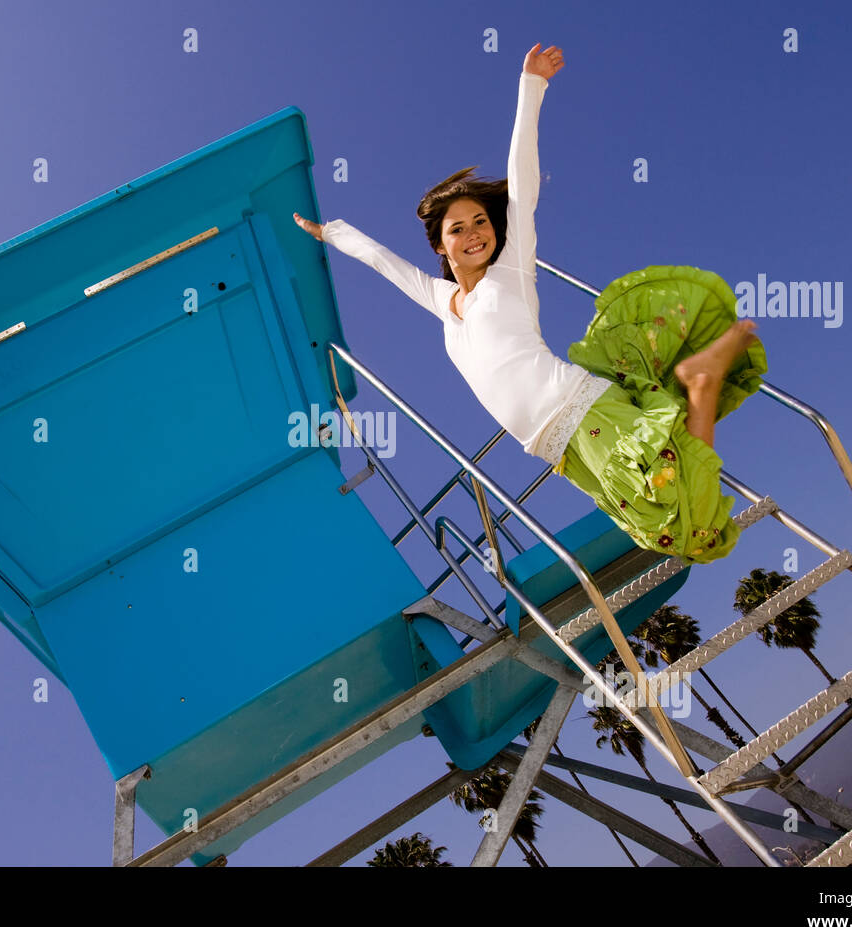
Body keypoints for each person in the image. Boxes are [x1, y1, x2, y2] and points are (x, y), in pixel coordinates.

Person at [293, 43, 767, 564]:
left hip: (583, 410)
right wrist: (329, 233)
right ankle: (698, 385)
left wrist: (532, 86)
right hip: (558, 451)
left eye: (481, 222)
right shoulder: (443, 301)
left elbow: (520, 182)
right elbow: (383, 262)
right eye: (458, 228)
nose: (474, 233)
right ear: (439, 246)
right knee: (664, 530)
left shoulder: (510, 271)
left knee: (690, 528)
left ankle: (700, 383)